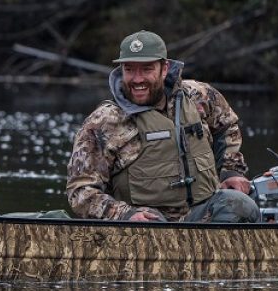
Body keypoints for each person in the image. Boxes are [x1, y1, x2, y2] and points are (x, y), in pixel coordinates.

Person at [66, 30, 261, 223]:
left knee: (241, 205)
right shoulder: (103, 122)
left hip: (201, 213)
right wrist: (124, 214)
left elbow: (227, 125)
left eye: (147, 69)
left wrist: (231, 172)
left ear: (164, 68)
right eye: (129, 69)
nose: (137, 79)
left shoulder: (198, 96)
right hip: (145, 224)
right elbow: (80, 191)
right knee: (152, 226)